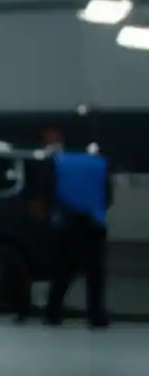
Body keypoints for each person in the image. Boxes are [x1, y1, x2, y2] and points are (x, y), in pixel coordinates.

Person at [40, 128, 113, 328]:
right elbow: (107, 196)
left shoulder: (58, 162)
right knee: (95, 275)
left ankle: (53, 313)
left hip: (65, 224)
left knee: (62, 273)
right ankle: (96, 315)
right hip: (93, 224)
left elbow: (48, 192)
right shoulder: (100, 164)